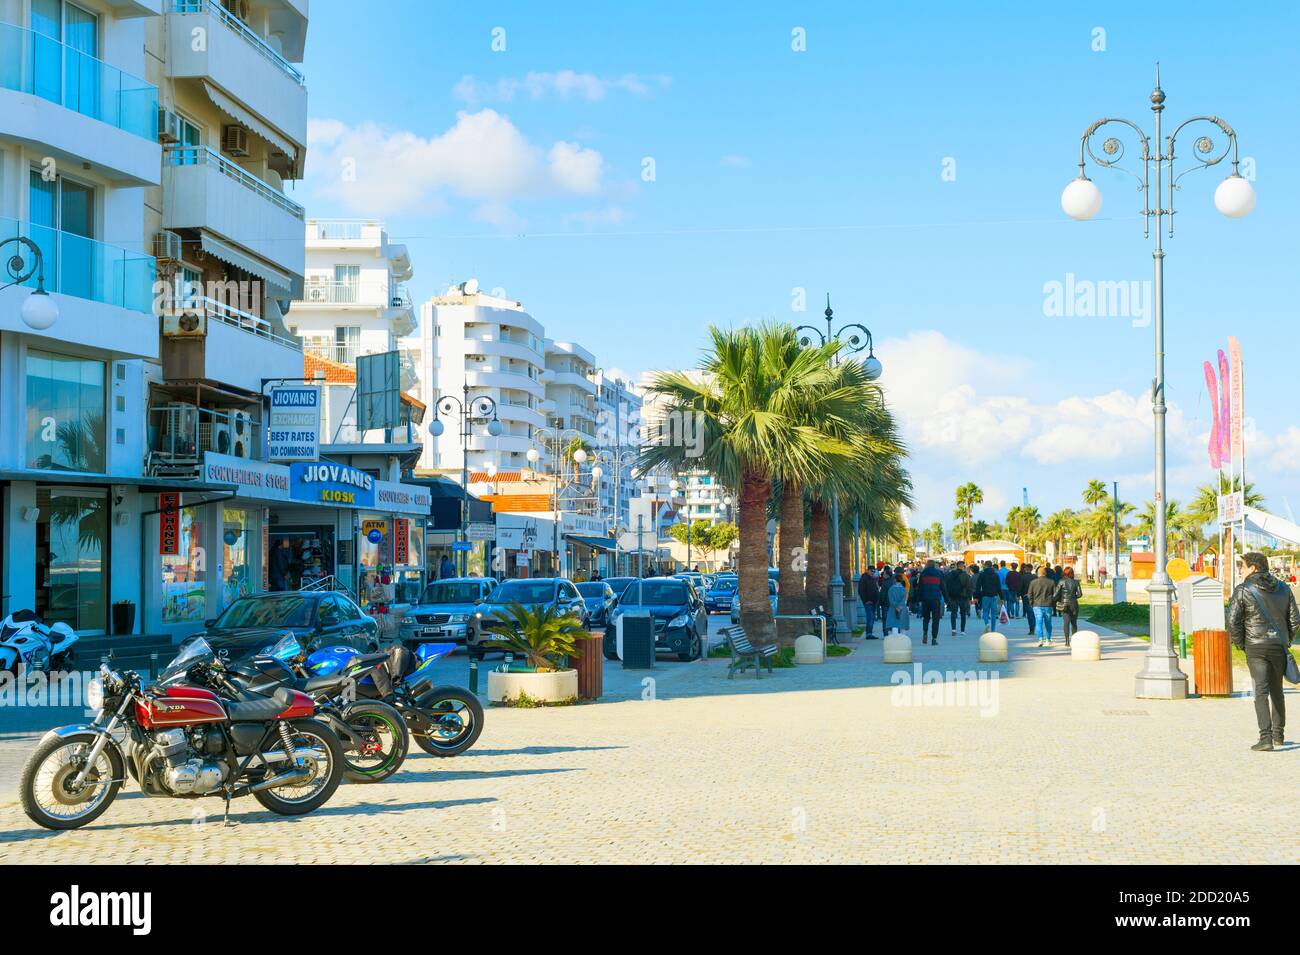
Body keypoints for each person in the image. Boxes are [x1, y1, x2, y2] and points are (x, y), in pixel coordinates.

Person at [1227, 551, 1299, 751]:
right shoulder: (1284, 588)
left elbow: (1233, 622)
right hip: (1278, 646)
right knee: (1277, 690)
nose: (1240, 570)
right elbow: (1294, 619)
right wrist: (1285, 640)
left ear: (1253, 568)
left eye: (1243, 566)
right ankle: (1279, 735)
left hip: (1255, 646)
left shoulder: (1242, 590)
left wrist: (1243, 644)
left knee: (1261, 691)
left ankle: (1265, 738)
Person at [916, 560, 945, 645]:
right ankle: (934, 639)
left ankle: (925, 633)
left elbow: (920, 587)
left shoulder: (923, 573)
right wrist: (947, 599)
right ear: (934, 565)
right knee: (936, 620)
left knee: (926, 618)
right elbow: (943, 587)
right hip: (936, 599)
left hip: (925, 599)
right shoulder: (939, 573)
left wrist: (918, 599)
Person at [1027, 566, 1058, 647]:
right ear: (1045, 573)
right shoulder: (1051, 582)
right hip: (1048, 605)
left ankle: (1040, 639)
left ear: (1038, 573)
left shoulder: (1033, 582)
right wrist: (1053, 602)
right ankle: (1048, 639)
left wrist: (1031, 604)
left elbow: (1030, 594)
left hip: (1037, 605)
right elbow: (1055, 595)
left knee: (1038, 622)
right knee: (1048, 623)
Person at [1055, 566, 1083, 646]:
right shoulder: (1076, 582)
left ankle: (1067, 641)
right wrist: (1073, 597)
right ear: (1072, 573)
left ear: (1064, 573)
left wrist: (1059, 599)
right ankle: (1074, 640)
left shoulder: (1061, 581)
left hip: (1064, 604)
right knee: (1074, 623)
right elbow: (1080, 594)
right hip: (1074, 603)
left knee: (1066, 623)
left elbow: (1056, 594)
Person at [944, 559, 972, 636]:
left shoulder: (950, 574)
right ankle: (962, 630)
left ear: (957, 566)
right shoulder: (966, 576)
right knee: (963, 614)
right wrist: (970, 597)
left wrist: (947, 596)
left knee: (953, 613)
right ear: (962, 567)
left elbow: (946, 585)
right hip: (963, 596)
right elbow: (969, 587)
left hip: (952, 596)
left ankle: (953, 630)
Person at [976, 561, 1002, 632]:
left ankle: (987, 623)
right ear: (991, 566)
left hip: (985, 595)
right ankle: (993, 629)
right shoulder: (995, 575)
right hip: (994, 595)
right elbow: (998, 587)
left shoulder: (982, 574)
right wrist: (1002, 597)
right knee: (993, 613)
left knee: (985, 611)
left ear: (985, 565)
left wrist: (976, 596)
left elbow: (978, 586)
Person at [857, 567, 880, 639]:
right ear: (867, 571)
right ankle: (869, 633)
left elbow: (875, 589)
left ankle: (869, 632)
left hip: (874, 601)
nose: (872, 572)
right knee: (870, 617)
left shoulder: (873, 579)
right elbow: (861, 591)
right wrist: (866, 600)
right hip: (868, 602)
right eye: (871, 571)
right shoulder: (864, 579)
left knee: (872, 618)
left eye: (874, 571)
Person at [1021, 563, 1036, 635]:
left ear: (1026, 569)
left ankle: (1031, 628)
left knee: (1029, 613)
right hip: (1034, 596)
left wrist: (1020, 595)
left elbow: (1020, 587)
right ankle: (1034, 627)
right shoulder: (1035, 577)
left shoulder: (1023, 577)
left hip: (1026, 596)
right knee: (1033, 612)